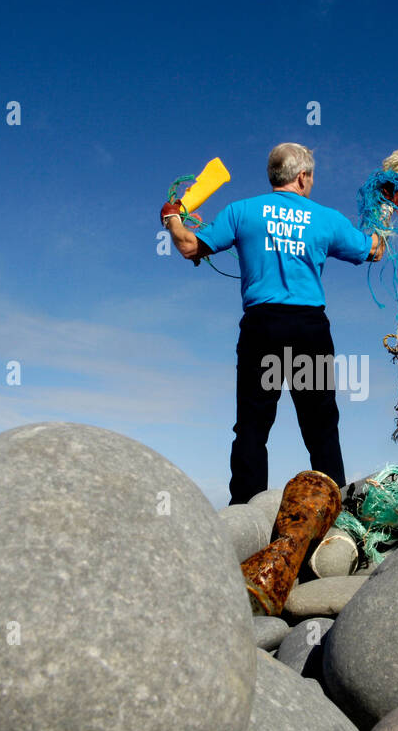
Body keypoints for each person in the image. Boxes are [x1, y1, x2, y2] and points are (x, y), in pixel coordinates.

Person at [161, 142, 385, 505]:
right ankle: (335, 512)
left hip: (261, 327)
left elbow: (188, 245)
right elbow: (373, 250)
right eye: (311, 176)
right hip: (308, 328)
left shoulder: (241, 211)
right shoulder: (325, 218)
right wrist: (385, 214)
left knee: (252, 426)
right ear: (302, 176)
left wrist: (172, 215)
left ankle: (243, 516)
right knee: (320, 426)